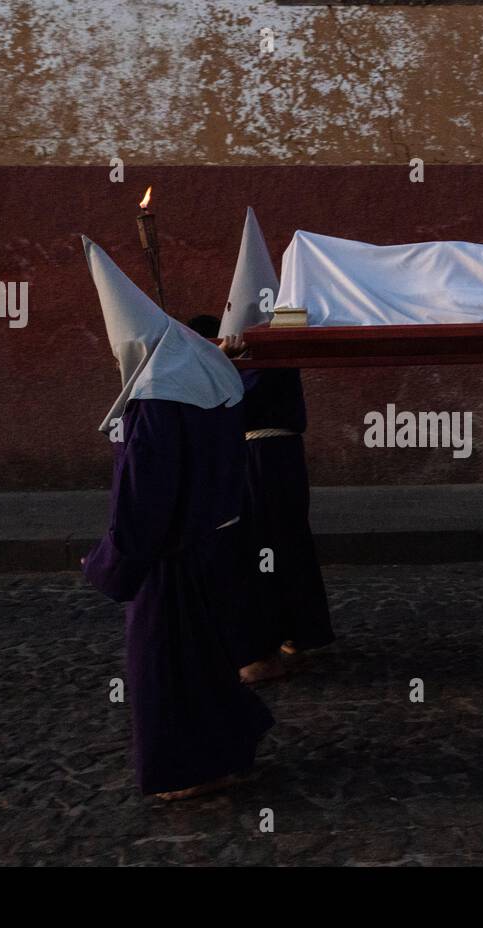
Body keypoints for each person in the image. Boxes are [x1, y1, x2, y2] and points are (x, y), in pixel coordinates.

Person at [79, 236, 273, 800]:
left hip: (168, 560)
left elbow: (143, 500)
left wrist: (107, 562)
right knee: (206, 663)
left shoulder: (157, 399)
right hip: (210, 547)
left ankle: (192, 769)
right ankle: (227, 754)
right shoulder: (203, 380)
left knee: (165, 670)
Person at [215, 208, 336, 684]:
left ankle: (272, 644)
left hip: (265, 459)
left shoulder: (268, 359)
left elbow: (237, 402)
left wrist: (216, 367)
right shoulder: (268, 357)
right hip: (272, 458)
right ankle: (297, 632)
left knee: (265, 545)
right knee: (283, 543)